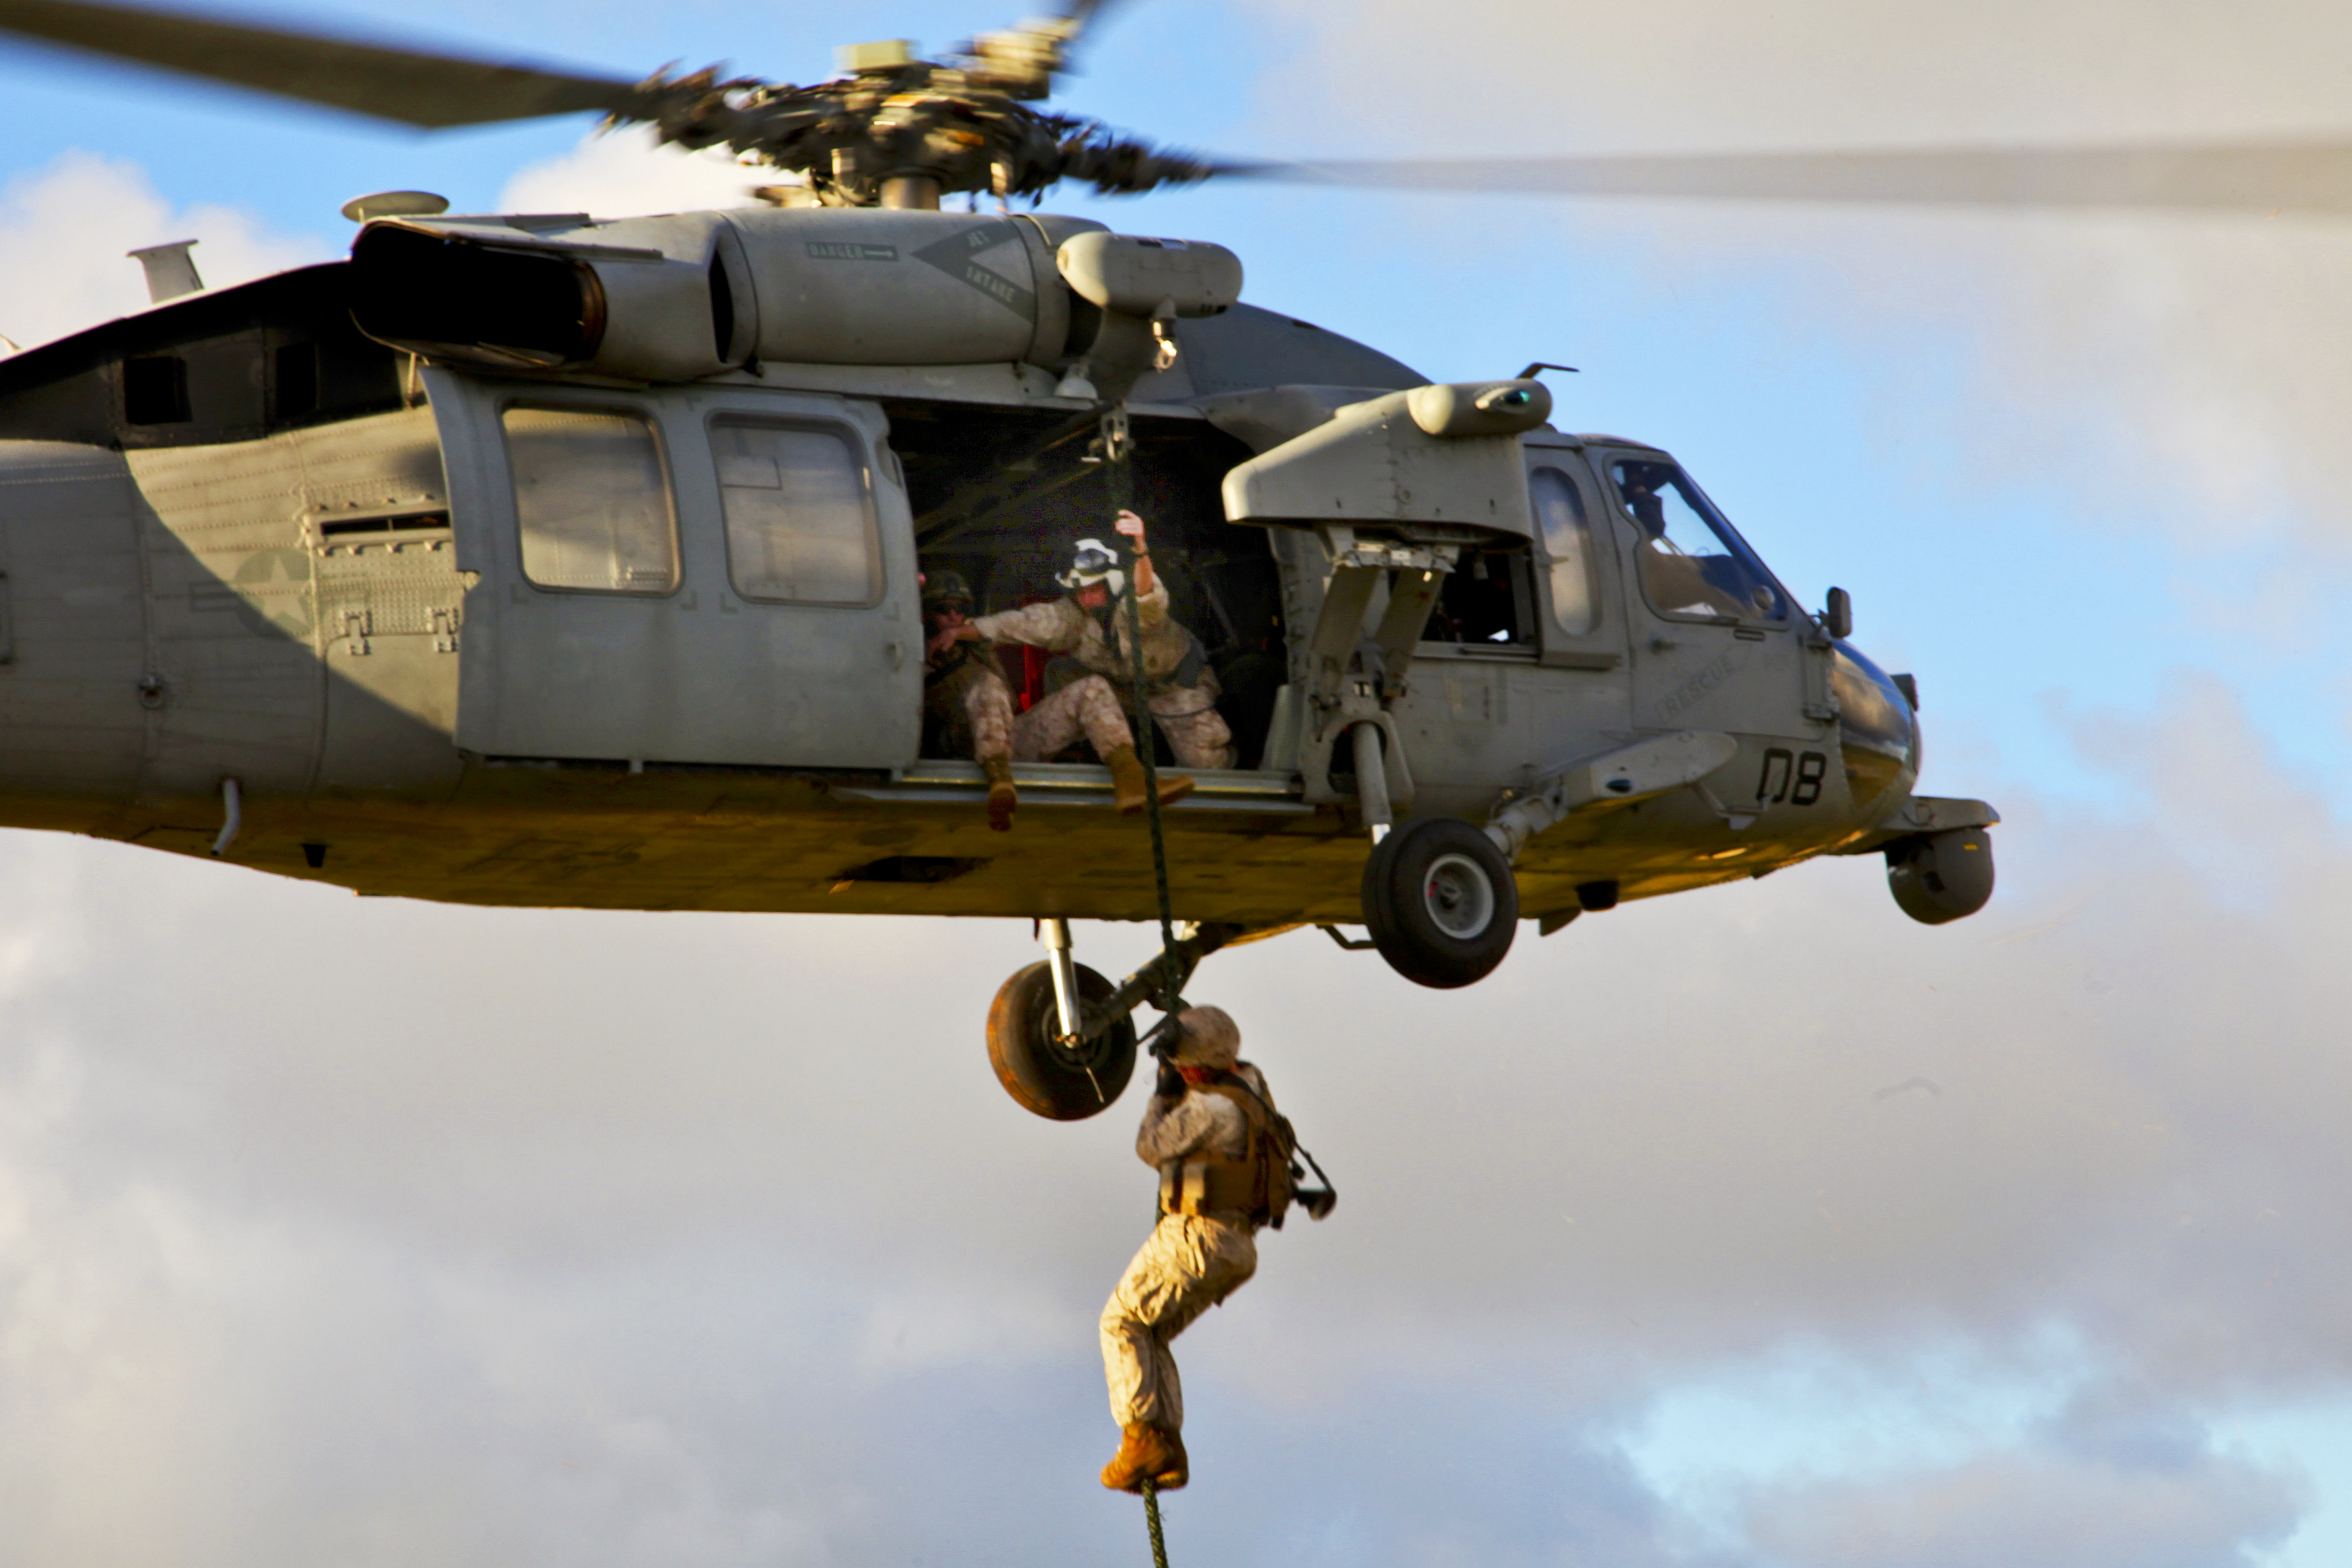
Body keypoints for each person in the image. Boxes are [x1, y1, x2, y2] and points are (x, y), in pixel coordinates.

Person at [1098, 1006, 1295, 1493]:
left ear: (1196, 1067)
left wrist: (1161, 1099)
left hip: (1196, 1237)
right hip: (1236, 1247)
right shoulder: (1251, 1085)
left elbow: (1151, 1147)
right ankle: (1167, 1450)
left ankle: (1140, 1438)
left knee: (1120, 1323)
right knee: (1151, 1332)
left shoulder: (1211, 1109)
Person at [951, 510, 1236, 773]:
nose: (1085, 597)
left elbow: (1145, 593)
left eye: (1093, 589)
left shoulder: (1135, 610)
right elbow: (1021, 623)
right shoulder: (1073, 617)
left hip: (1176, 687)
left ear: (1111, 582)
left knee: (1206, 768)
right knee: (1061, 672)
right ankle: (1083, 751)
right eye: (1080, 591)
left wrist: (1139, 548)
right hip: (1124, 689)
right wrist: (960, 631)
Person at [920, 569, 1022, 831]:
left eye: (960, 609)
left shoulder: (979, 647)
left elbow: (998, 628)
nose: (954, 616)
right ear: (930, 614)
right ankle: (1000, 781)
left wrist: (960, 635)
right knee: (987, 685)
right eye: (944, 609)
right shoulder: (918, 651)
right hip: (954, 742)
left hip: (1005, 737)